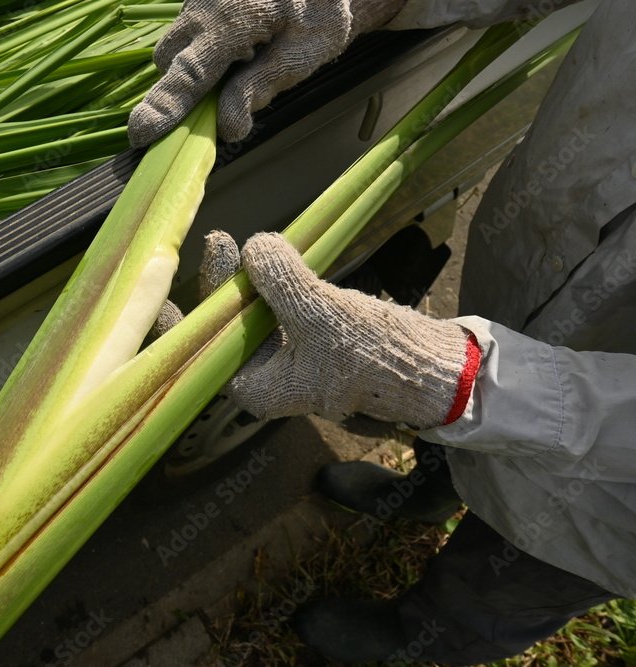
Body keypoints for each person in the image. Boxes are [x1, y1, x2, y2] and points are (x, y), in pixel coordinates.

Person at [129, 0, 636, 663]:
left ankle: (421, 636)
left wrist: (434, 377)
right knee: (459, 439)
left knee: (513, 572)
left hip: (614, 494)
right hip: (529, 265)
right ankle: (429, 489)